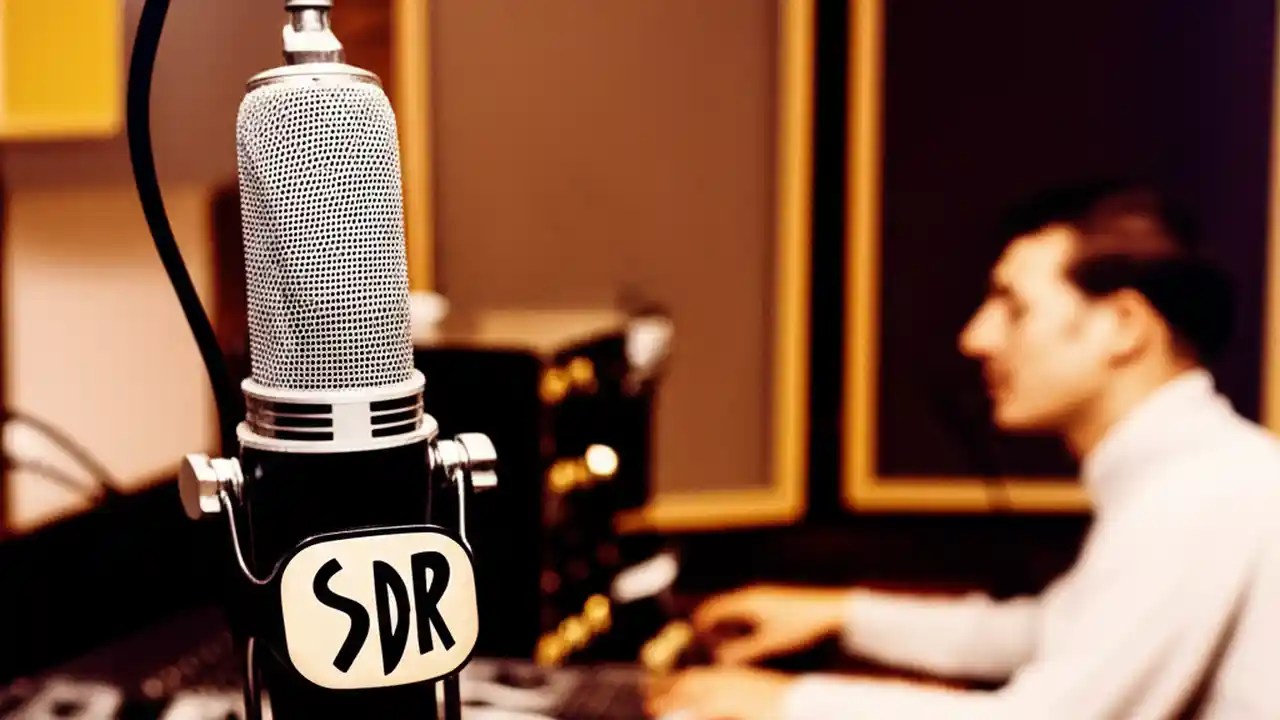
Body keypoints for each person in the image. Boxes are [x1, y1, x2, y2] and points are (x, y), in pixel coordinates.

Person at [645, 182, 1280, 719]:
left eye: (1013, 307)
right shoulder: (1196, 473)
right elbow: (1054, 632)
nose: (976, 337)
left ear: (1124, 326)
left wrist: (785, 703)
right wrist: (841, 613)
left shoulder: (1200, 494)